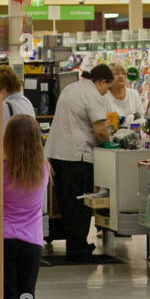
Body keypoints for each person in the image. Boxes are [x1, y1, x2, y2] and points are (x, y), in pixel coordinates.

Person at [43, 64, 114, 262]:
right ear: (100, 82)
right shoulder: (92, 94)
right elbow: (100, 129)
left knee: (67, 204)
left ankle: (74, 245)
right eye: (106, 88)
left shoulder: (72, 87)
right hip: (77, 156)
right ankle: (78, 249)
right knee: (81, 204)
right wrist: (109, 147)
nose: (106, 93)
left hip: (58, 153)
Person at [2, 114, 49, 299]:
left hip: (5, 240)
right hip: (32, 242)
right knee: (27, 295)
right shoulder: (44, 169)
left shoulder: (3, 171)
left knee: (8, 296)